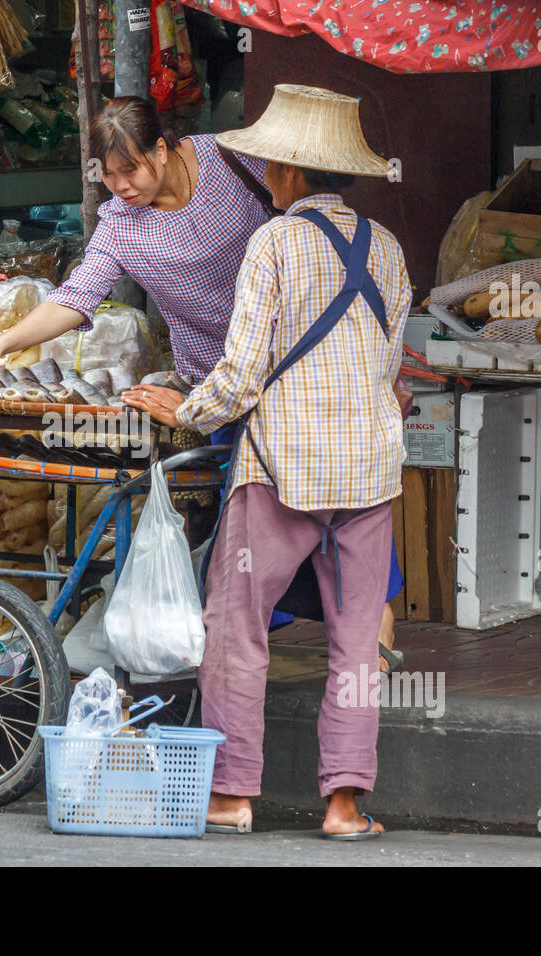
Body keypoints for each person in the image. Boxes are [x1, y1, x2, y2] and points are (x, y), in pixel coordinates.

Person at [0, 95, 406, 661]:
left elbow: (312, 232)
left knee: (343, 540)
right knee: (249, 550)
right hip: (215, 392)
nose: (121, 186)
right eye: (109, 176)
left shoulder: (231, 163)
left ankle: (367, 663)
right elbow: (76, 298)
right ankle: (249, 675)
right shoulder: (121, 223)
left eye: (132, 169)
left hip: (297, 384)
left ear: (163, 149)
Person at [124, 85, 411, 839]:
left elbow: (243, 373)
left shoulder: (275, 244)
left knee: (236, 626)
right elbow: (384, 371)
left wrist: (185, 410)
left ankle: (230, 794)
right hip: (368, 472)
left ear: (285, 168)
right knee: (355, 638)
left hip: (282, 464)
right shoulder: (387, 250)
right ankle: (345, 805)